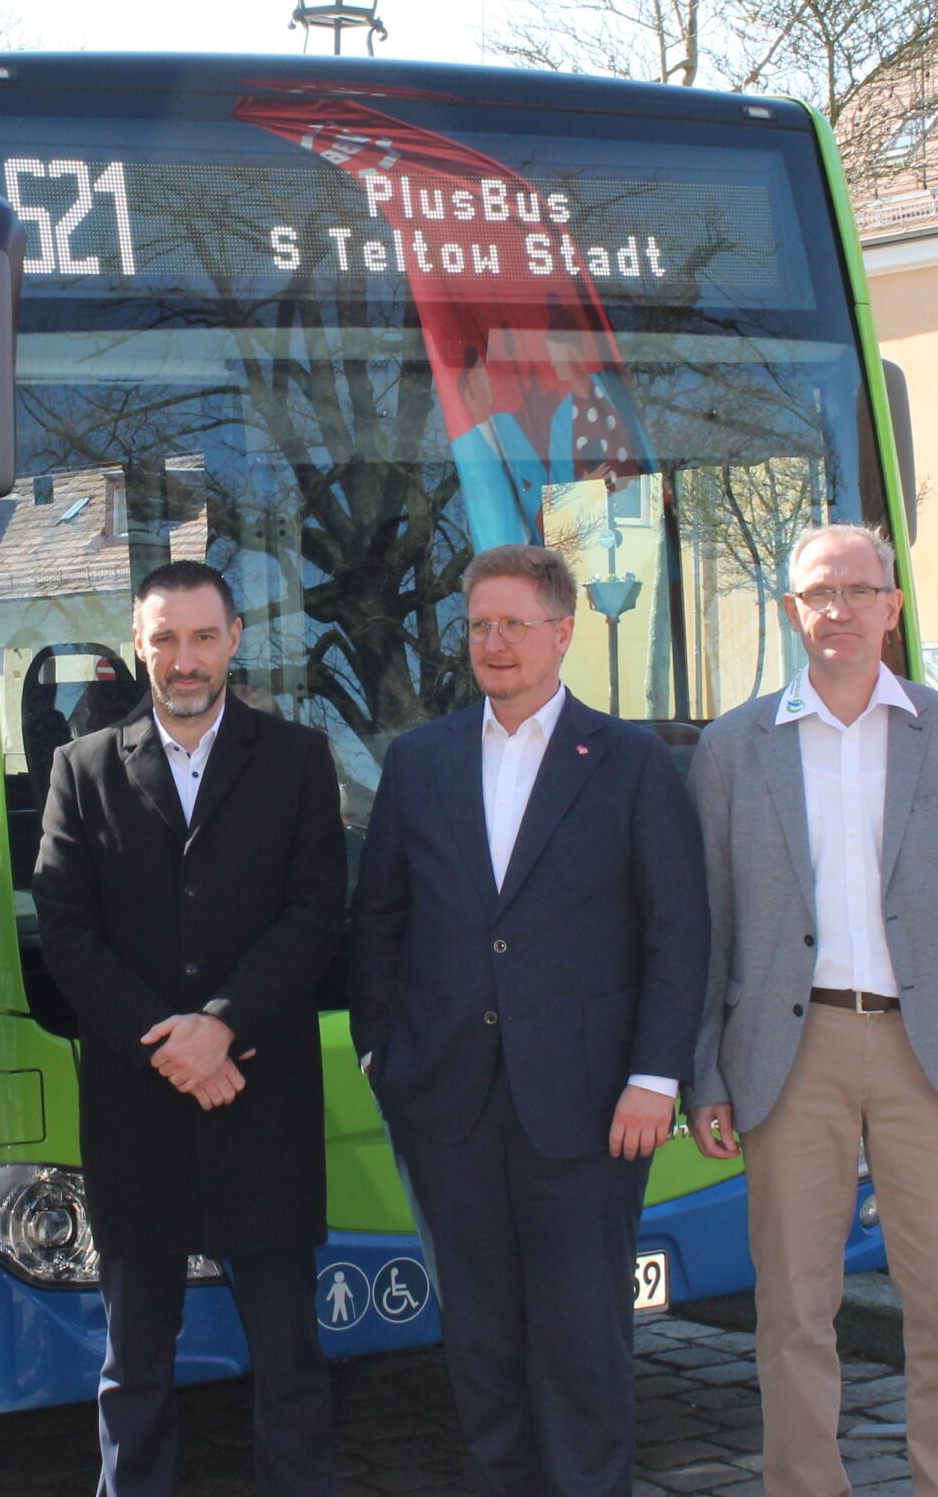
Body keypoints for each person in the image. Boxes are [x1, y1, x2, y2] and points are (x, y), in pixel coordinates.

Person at [687, 522, 938, 1497]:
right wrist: (705, 1069)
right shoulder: (730, 749)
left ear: (891, 607)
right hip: (785, 1056)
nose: (834, 609)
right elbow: (707, 928)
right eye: (814, 593)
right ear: (791, 611)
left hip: (932, 1050)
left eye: (855, 589)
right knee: (793, 1314)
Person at [348, 542, 708, 1497]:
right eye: (478, 625)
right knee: (480, 1345)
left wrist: (655, 1076)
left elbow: (679, 931)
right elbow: (377, 920)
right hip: (448, 1107)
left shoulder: (631, 762)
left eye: (514, 623)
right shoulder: (421, 760)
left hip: (590, 1109)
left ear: (563, 631)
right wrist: (383, 1053)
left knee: (584, 1345)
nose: (494, 643)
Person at [34, 560, 347, 1497]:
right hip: (140, 1107)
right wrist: (169, 1044)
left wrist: (221, 1027)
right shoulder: (81, 770)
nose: (183, 658)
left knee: (291, 1361)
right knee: (133, 1368)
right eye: (164, 637)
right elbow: (67, 930)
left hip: (262, 1098)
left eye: (202, 636)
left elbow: (316, 916)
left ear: (236, 638)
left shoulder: (296, 759)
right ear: (139, 642)